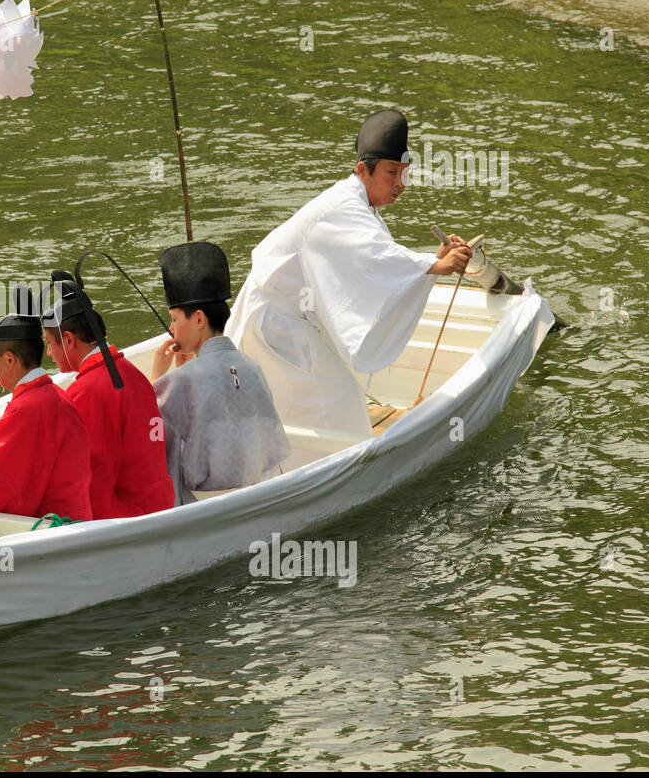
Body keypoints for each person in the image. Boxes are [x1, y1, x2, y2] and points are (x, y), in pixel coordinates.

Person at [225, 108, 472, 438]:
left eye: (405, 174)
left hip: (290, 319)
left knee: (332, 396)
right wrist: (433, 266)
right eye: (391, 173)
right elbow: (374, 256)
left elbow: (374, 259)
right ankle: (331, 463)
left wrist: (430, 262)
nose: (400, 184)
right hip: (274, 325)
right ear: (363, 170)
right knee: (336, 399)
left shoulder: (359, 204)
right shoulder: (340, 206)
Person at [151, 242, 290, 504]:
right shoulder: (251, 367)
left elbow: (150, 434)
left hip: (202, 505)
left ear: (199, 319)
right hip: (260, 494)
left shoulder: (178, 381)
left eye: (174, 318)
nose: (171, 328)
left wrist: (157, 379)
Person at [42, 278, 175, 518]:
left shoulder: (86, 392)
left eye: (50, 344)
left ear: (70, 340)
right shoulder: (132, 373)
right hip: (162, 504)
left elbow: (92, 477)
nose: (49, 352)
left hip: (128, 519)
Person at [0, 295, 94, 521]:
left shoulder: (29, 408)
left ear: (9, 360)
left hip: (55, 533)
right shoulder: (55, 397)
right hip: (74, 523)